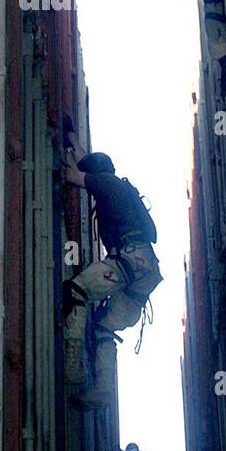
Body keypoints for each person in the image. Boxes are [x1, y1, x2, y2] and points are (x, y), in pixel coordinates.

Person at [62, 129, 162, 409]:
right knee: (103, 327)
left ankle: (72, 366)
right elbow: (90, 165)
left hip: (129, 260)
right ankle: (104, 389)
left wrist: (67, 155)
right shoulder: (120, 187)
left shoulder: (106, 183)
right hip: (146, 269)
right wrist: (73, 140)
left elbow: (76, 175)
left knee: (75, 290)